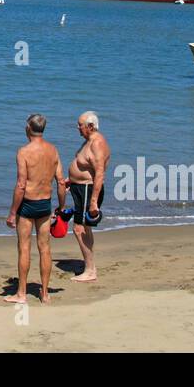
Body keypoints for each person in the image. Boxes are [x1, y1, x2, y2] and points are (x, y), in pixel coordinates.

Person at [5, 114, 65, 305]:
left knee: (24, 248)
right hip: (45, 205)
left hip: (28, 204)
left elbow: (21, 185)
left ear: (29, 128)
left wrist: (13, 212)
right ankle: (45, 293)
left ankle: (22, 293)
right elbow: (61, 182)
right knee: (45, 248)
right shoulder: (53, 150)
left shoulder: (24, 152)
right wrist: (61, 207)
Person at [64, 111, 111, 283]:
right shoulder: (88, 141)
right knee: (84, 228)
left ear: (90, 126)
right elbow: (85, 167)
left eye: (80, 125)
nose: (78, 127)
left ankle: (90, 270)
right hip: (80, 188)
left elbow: (99, 174)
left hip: (87, 191)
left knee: (79, 228)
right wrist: (72, 179)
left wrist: (93, 202)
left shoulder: (97, 143)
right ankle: (90, 267)